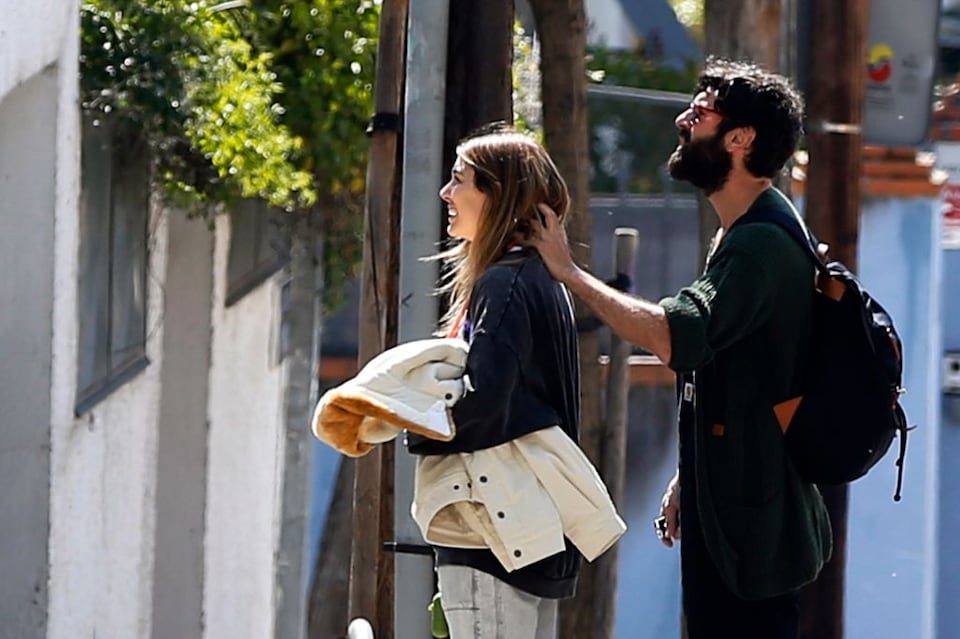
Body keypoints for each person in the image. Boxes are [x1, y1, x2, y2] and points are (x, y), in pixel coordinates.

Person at [528, 58, 833, 639]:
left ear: (741, 139)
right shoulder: (744, 232)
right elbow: (735, 373)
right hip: (737, 512)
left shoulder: (760, 247)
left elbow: (675, 335)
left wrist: (568, 271)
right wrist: (691, 476)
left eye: (702, 112)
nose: (683, 120)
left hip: (755, 533)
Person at [406, 126, 625, 639]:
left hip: (493, 536)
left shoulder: (502, 283)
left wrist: (411, 422)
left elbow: (486, 402)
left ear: (496, 196)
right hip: (526, 533)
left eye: (459, 180)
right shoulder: (537, 280)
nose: (445, 193)